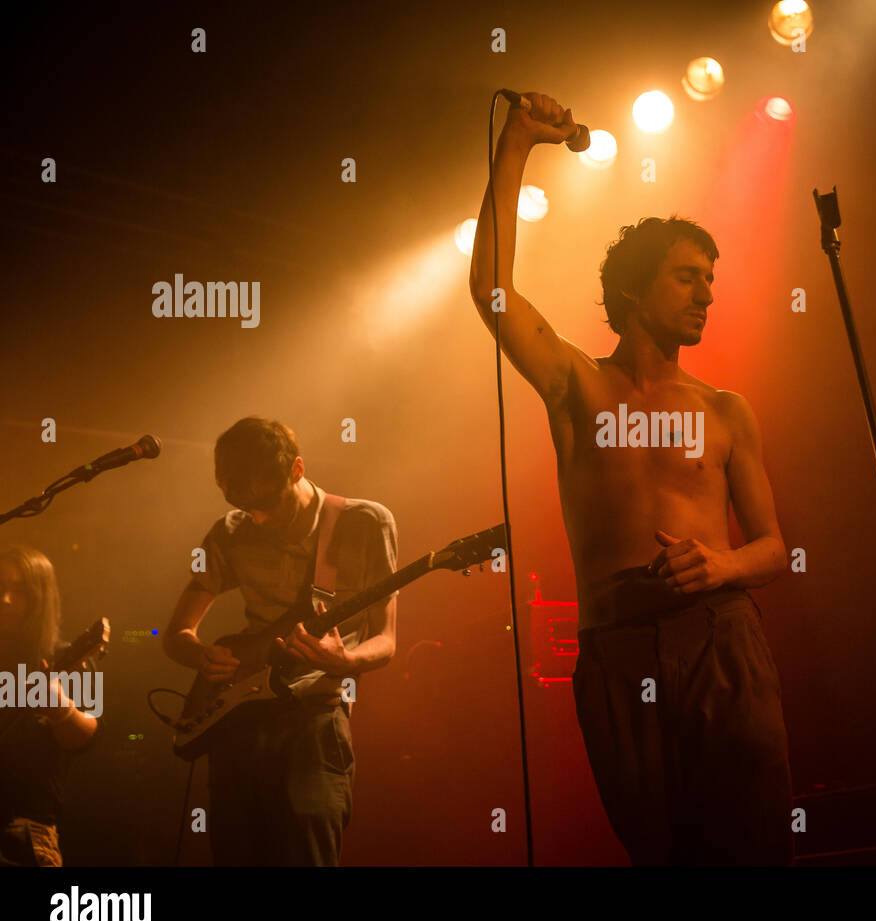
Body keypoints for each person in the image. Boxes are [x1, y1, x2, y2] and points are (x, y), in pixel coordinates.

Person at [469, 91, 794, 865]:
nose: (707, 294)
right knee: (663, 852)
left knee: (754, 846)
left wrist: (720, 563)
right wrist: (515, 146)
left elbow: (776, 548)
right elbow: (490, 291)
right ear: (634, 291)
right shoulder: (578, 386)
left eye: (710, 279)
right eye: (687, 278)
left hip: (720, 635)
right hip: (617, 649)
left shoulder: (726, 409)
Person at [161, 417, 397, 865]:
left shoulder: (365, 523)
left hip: (314, 722)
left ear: (297, 469)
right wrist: (203, 656)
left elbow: (386, 640)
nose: (258, 516)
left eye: (266, 502)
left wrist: (344, 661)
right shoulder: (229, 532)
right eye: (241, 503)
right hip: (238, 724)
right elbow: (175, 636)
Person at [0, 546, 98, 866]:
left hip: (24, 829)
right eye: (0, 588)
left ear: (40, 597)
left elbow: (86, 737)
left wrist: (60, 708)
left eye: (20, 591)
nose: (6, 600)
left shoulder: (65, 658)